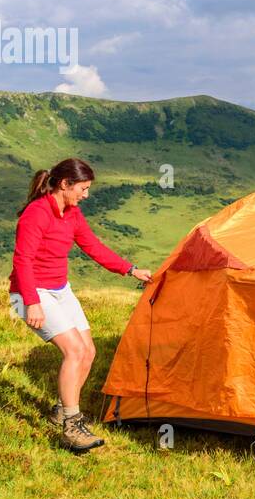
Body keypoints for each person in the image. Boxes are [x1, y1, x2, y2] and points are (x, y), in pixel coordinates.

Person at [8, 158, 152, 452]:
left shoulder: (72, 213)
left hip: (60, 289)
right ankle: (71, 426)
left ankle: (61, 410)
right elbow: (22, 260)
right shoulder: (36, 214)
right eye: (83, 189)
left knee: (88, 351)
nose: (86, 195)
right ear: (65, 184)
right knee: (74, 351)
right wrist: (32, 303)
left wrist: (130, 269)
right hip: (31, 292)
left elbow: (93, 246)